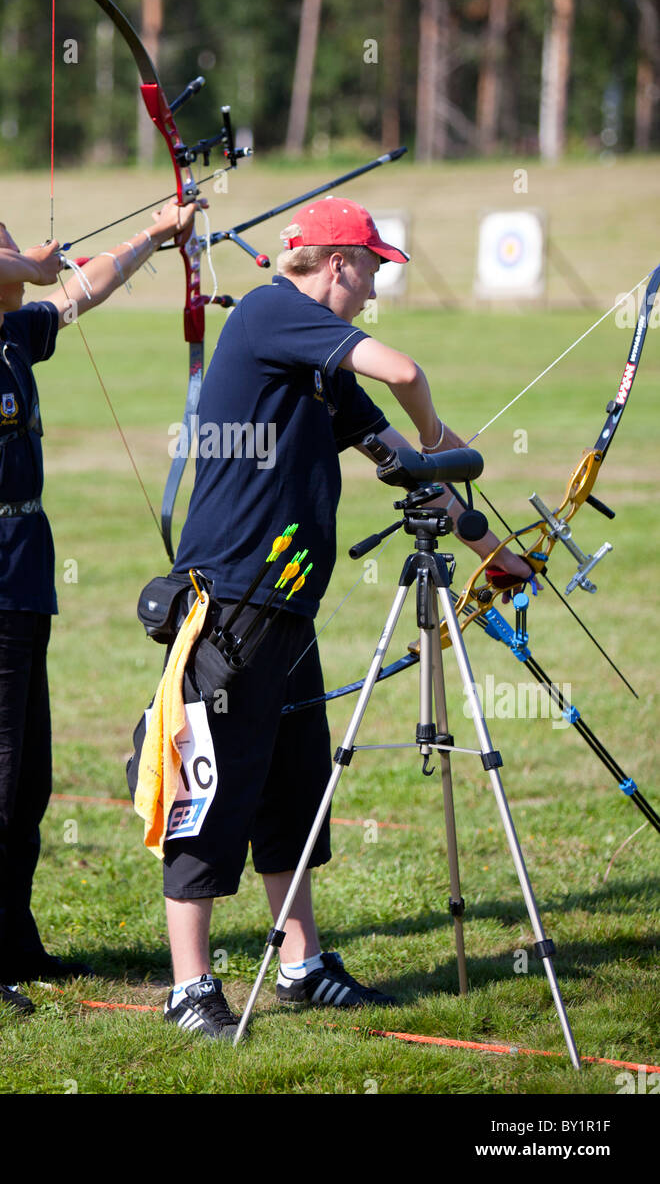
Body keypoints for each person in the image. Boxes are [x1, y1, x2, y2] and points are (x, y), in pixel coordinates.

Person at [140, 195, 534, 1038]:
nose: (373, 287)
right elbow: (405, 375)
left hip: (287, 610)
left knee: (294, 793)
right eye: (371, 270)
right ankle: (190, 988)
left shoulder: (316, 361)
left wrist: (487, 546)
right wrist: (439, 431)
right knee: (210, 797)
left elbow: (399, 465)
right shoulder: (276, 312)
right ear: (338, 263)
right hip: (233, 607)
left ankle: (302, 965)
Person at [0, 199, 200, 1014]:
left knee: (23, 778)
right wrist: (23, 265)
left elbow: (82, 292)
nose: (30, 255)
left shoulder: (11, 338)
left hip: (20, 580)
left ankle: (7, 943)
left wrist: (152, 236)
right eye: (11, 252)